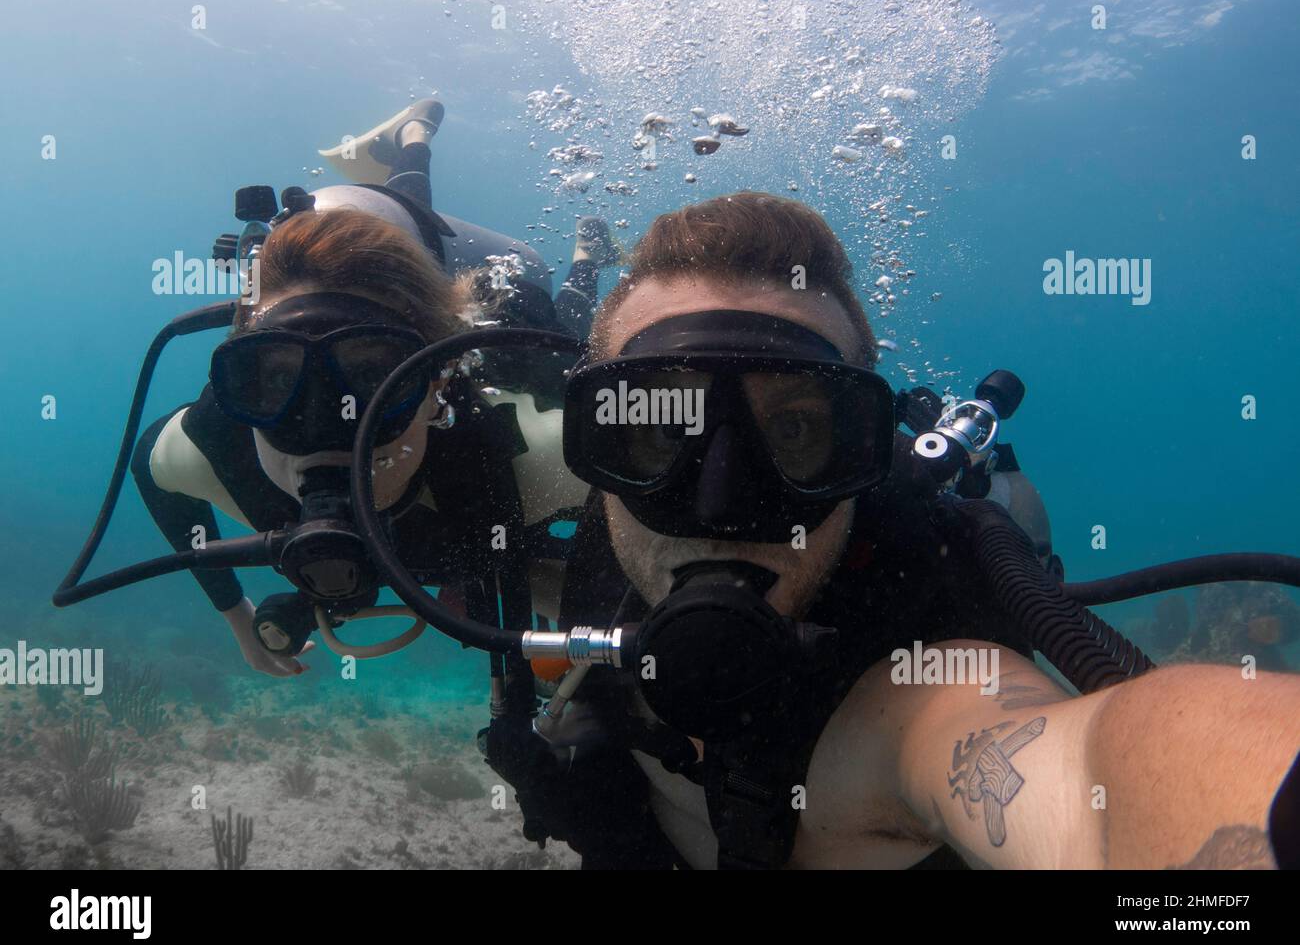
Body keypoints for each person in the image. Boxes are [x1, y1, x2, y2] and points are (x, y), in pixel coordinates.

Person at [521, 190, 1300, 870]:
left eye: (794, 431)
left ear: (864, 452)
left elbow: (1092, 771)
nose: (723, 503)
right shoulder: (583, 545)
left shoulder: (922, 662)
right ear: (599, 450)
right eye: (662, 428)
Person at [132, 206, 588, 677]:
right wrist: (234, 612)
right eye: (279, 379)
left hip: (512, 362)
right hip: (467, 544)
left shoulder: (533, 455)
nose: (322, 427)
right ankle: (409, 153)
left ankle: (587, 257)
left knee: (566, 331)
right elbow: (149, 469)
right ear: (243, 386)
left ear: (438, 385)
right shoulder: (221, 448)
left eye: (373, 375)